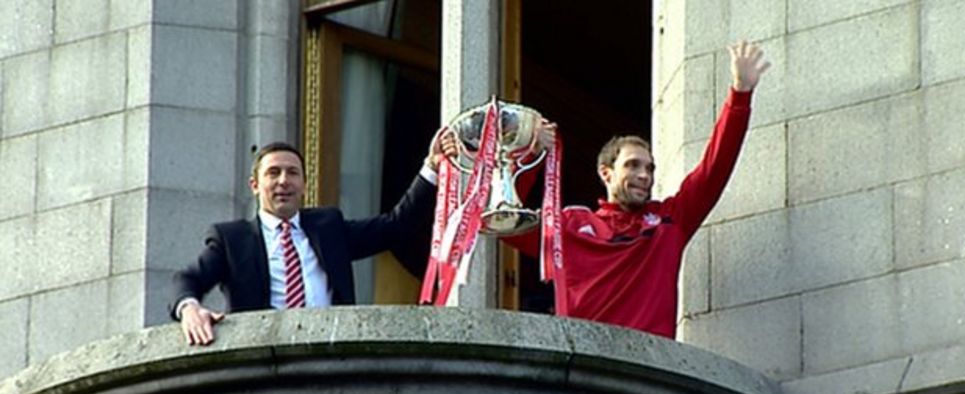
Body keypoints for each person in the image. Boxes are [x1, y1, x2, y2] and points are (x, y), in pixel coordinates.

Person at [504, 41, 771, 338]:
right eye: (632, 165)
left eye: (649, 168)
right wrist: (531, 155)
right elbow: (504, 223)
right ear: (606, 173)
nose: (644, 175)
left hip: (649, 371)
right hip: (586, 369)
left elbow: (714, 168)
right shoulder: (571, 225)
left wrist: (740, 95)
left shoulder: (670, 222)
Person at [170, 131, 456, 346]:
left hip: (329, 354)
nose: (284, 181)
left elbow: (396, 226)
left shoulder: (328, 227)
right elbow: (188, 278)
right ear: (255, 186)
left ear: (304, 185)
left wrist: (431, 165)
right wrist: (190, 309)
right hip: (262, 355)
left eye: (292, 173)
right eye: (273, 173)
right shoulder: (232, 239)